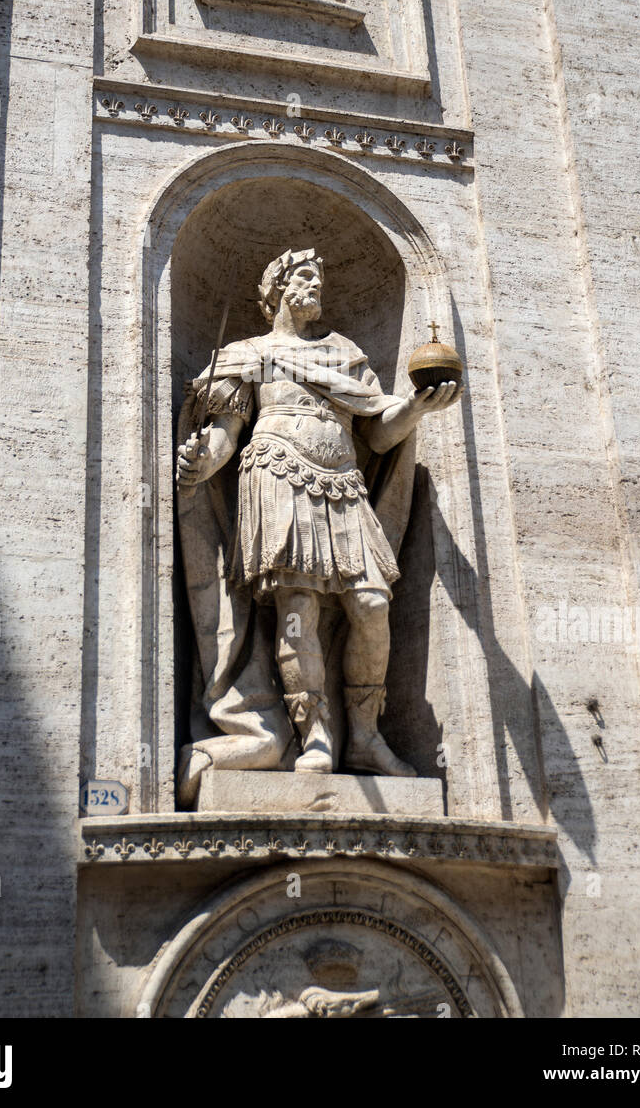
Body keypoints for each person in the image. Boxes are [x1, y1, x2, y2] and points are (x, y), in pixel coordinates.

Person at [177, 248, 463, 780]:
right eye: (306, 275)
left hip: (344, 484)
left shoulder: (345, 353)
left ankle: (366, 736)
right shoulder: (247, 354)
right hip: (277, 475)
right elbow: (224, 437)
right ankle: (316, 737)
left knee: (373, 602)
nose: (317, 286)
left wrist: (415, 409)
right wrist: (200, 462)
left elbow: (378, 432)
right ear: (277, 288)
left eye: (321, 278)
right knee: (298, 610)